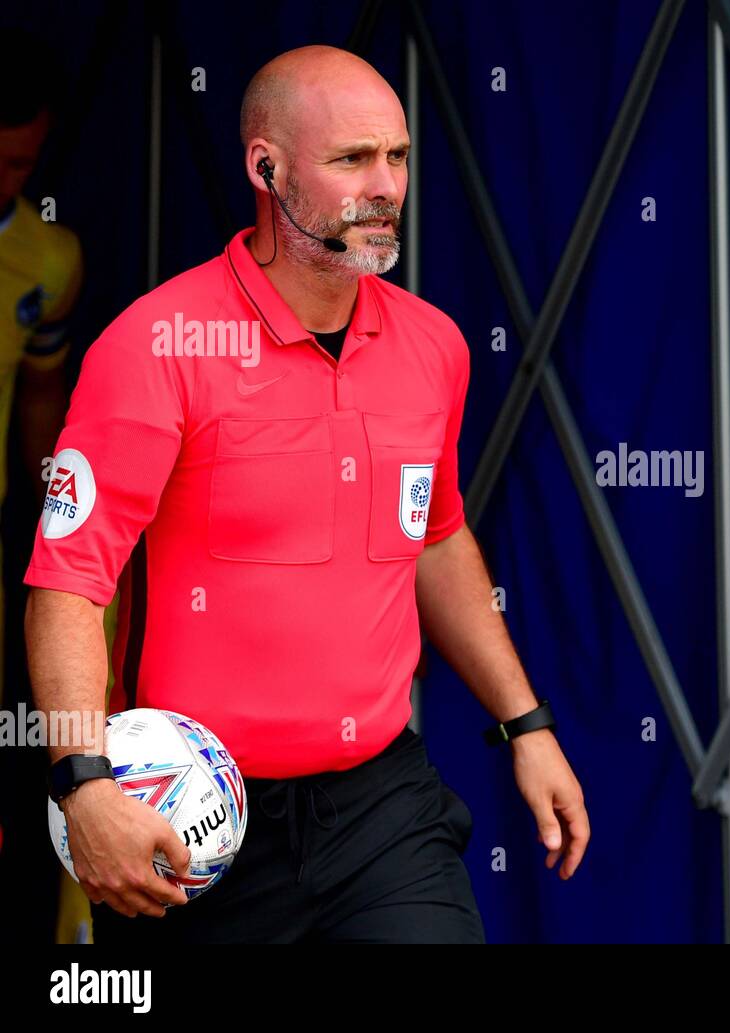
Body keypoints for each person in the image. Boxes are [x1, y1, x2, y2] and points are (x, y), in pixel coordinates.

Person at [24, 45, 589, 944]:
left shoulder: (435, 347)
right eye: (352, 160)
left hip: (382, 806)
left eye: (397, 157)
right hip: (192, 815)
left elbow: (437, 541)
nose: (386, 186)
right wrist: (83, 780)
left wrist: (527, 722)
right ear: (266, 168)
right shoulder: (154, 346)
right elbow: (68, 582)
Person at [0, 26, 86, 944]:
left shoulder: (49, 258)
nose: (7, 177)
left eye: (23, 161)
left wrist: (63, 508)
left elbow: (40, 402)